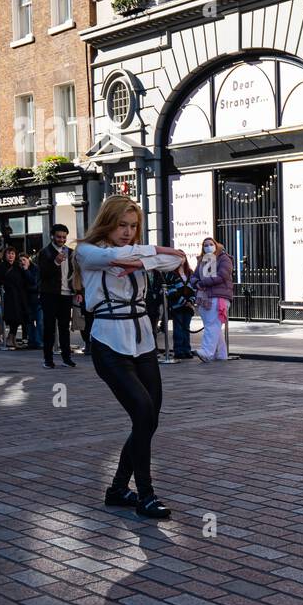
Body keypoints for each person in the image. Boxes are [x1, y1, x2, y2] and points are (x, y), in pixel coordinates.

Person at [76, 196, 186, 519]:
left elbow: (178, 259)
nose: (127, 232)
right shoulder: (86, 251)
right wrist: (150, 255)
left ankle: (117, 489)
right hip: (109, 343)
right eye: (121, 225)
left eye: (133, 226)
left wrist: (141, 261)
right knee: (142, 410)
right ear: (107, 222)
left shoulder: (132, 252)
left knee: (149, 419)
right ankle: (146, 495)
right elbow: (111, 256)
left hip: (144, 343)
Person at [37, 224, 79, 369]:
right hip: (50, 294)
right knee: (49, 328)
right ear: (52, 236)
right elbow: (43, 274)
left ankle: (66, 358)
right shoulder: (45, 252)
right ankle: (48, 359)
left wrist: (78, 292)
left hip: (66, 294)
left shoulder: (71, 252)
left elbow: (75, 274)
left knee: (64, 328)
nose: (62, 239)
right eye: (59, 237)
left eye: (64, 237)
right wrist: (56, 262)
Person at [193, 236, 233, 363]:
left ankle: (207, 352)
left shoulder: (223, 258)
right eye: (205, 245)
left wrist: (203, 283)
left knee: (211, 325)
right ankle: (221, 354)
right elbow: (193, 276)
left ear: (216, 245)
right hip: (204, 297)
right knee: (213, 325)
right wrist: (196, 283)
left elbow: (223, 275)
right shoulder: (201, 261)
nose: (208, 246)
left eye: (211, 244)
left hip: (218, 296)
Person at [0, 247, 28, 350]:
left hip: (19, 295)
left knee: (19, 318)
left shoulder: (18, 266)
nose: (11, 255)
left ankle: (12, 338)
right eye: (9, 253)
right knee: (12, 317)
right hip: (8, 296)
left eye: (13, 253)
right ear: (5, 255)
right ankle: (10, 338)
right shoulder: (1, 267)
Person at [162, 264, 196, 359]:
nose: (181, 259)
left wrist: (190, 301)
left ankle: (187, 350)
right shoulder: (171, 274)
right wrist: (183, 301)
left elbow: (193, 289)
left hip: (188, 306)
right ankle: (179, 350)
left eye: (183, 256)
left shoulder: (189, 273)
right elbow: (171, 290)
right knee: (178, 329)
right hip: (177, 305)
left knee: (186, 328)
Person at [20, 254, 43, 349]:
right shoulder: (20, 270)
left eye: (24, 260)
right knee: (29, 321)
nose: (22, 262)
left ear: (28, 260)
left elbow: (34, 281)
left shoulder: (35, 269)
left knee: (39, 321)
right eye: (20, 260)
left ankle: (39, 341)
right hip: (26, 299)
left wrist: (26, 270)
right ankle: (31, 341)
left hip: (37, 299)